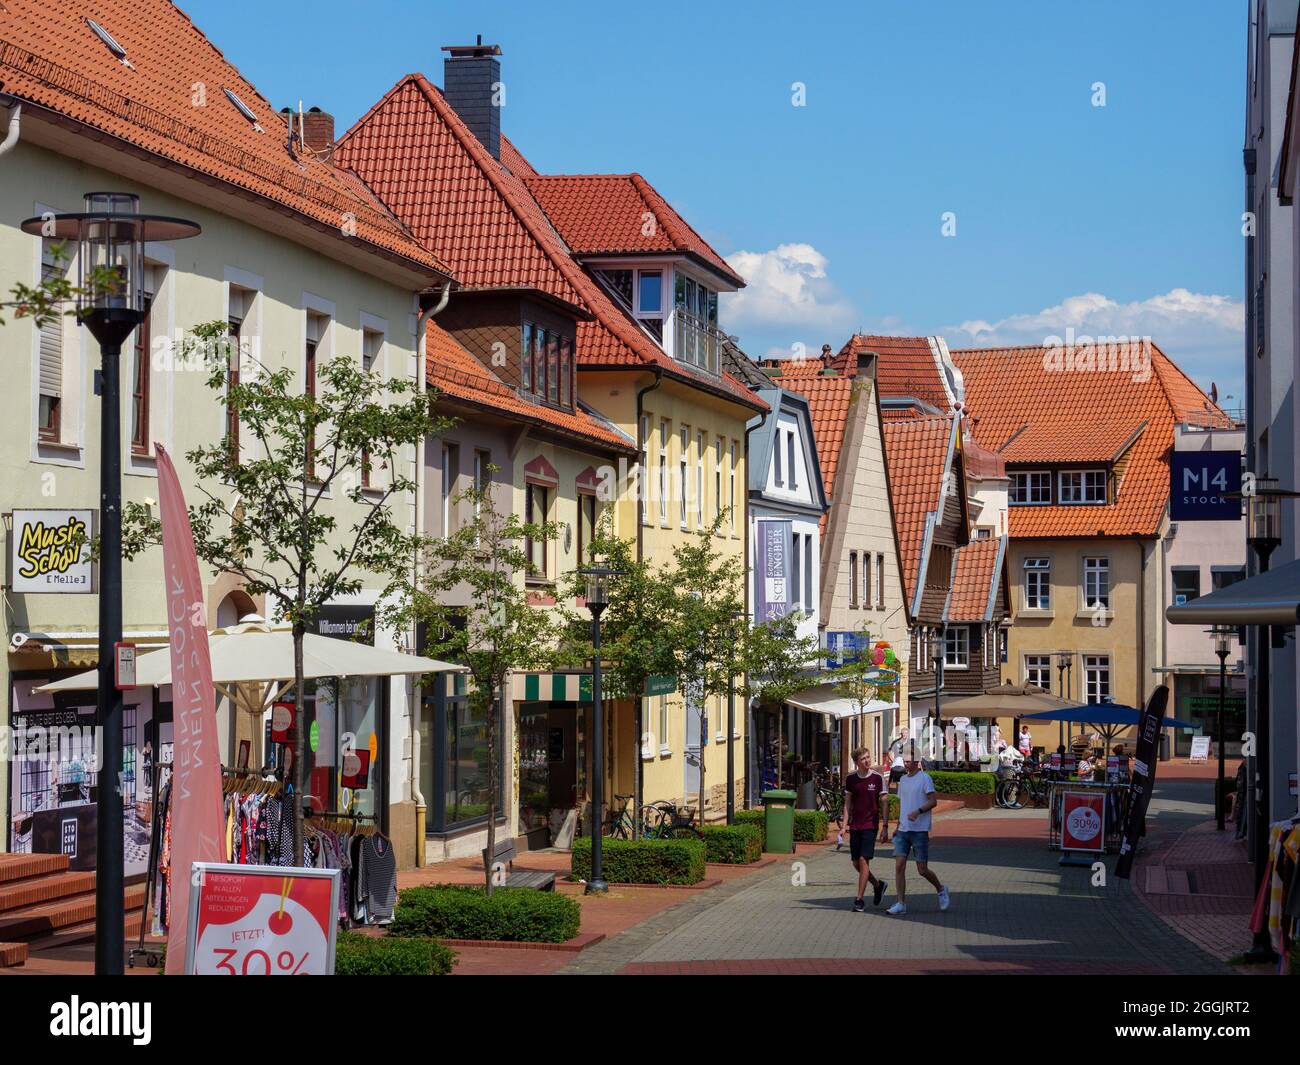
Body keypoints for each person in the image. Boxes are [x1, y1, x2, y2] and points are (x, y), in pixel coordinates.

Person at [887, 745, 950, 916]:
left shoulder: (925, 779)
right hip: (903, 830)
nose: (906, 765)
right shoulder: (903, 781)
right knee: (899, 866)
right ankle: (901, 903)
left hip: (920, 830)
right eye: (905, 761)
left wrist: (918, 811)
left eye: (909, 762)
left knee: (922, 869)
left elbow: (933, 801)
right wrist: (897, 826)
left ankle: (941, 889)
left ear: (917, 762)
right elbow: (903, 805)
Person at [841, 746, 887, 912]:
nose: (867, 761)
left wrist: (885, 826)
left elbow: (884, 802)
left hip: (870, 825)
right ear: (856, 762)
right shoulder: (851, 779)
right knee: (855, 863)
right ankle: (877, 884)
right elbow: (847, 803)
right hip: (855, 825)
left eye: (868, 757)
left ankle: (859, 899)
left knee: (863, 860)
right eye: (863, 759)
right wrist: (844, 825)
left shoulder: (877, 778)